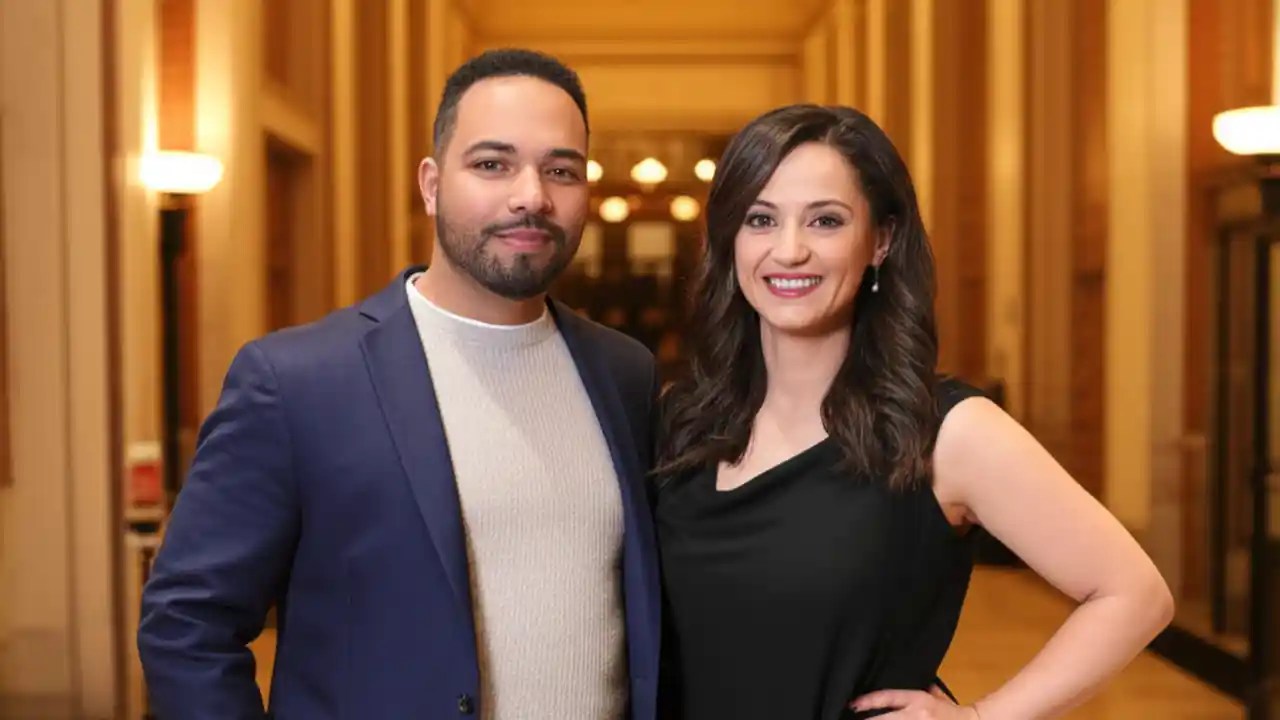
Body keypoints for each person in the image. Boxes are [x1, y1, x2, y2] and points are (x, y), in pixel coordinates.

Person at [138, 49, 662, 720]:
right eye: (492, 164)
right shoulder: (300, 383)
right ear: (432, 183)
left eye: (561, 169)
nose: (531, 195)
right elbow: (187, 625)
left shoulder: (625, 374)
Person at [652, 104, 1174, 720]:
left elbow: (1134, 595)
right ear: (731, 240)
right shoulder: (680, 422)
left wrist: (984, 718)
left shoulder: (945, 431)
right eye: (761, 219)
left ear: (881, 240)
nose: (788, 250)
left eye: (825, 220)